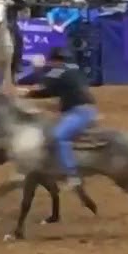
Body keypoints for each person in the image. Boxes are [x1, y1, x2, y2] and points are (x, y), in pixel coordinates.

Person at [23, 47, 97, 189]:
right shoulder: (75, 70)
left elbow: (46, 90)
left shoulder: (58, 72)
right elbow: (57, 90)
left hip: (78, 113)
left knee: (59, 137)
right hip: (85, 110)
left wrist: (27, 94)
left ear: (54, 61)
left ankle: (72, 175)